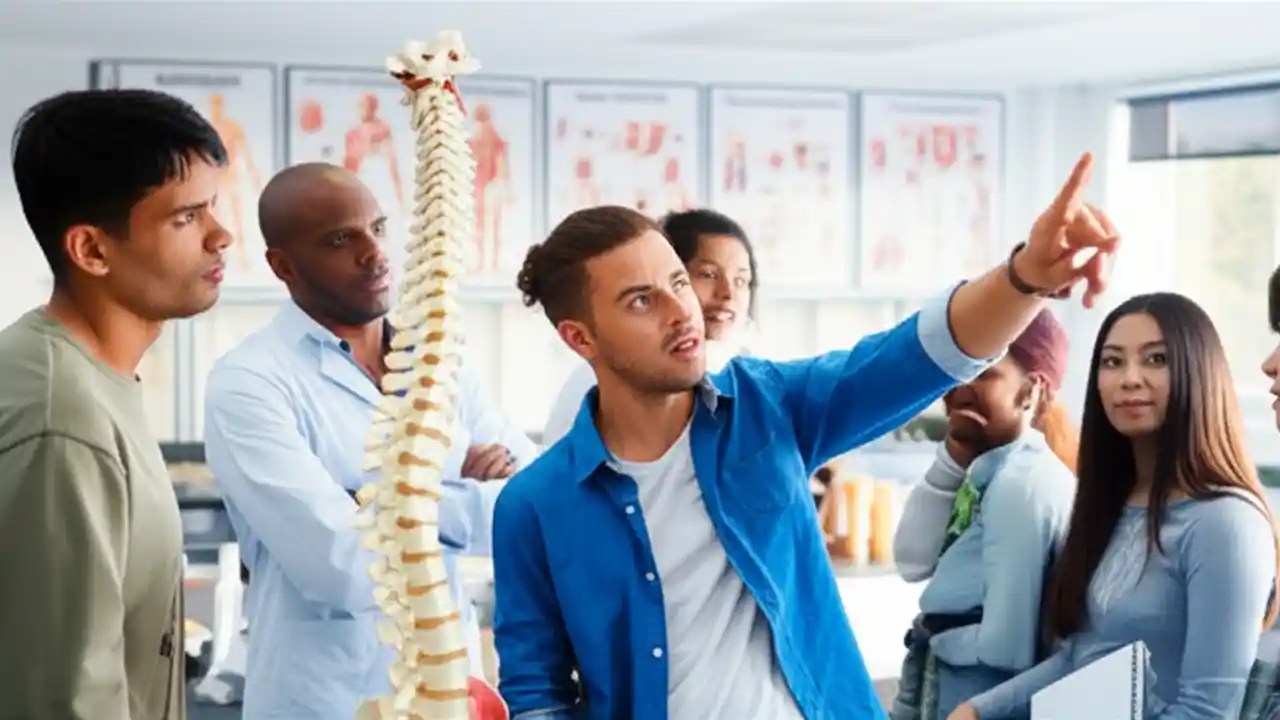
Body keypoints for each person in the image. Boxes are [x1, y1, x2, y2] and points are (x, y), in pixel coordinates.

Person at [492, 152, 1120, 719]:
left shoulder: (767, 408)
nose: (681, 309)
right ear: (581, 338)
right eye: (639, 301)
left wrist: (1026, 276)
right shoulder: (534, 507)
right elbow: (538, 694)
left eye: (678, 281)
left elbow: (912, 357)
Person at [202, 162, 536, 718]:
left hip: (449, 693)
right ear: (283, 266)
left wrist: (377, 502)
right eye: (340, 240)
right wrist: (467, 494)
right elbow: (342, 568)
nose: (375, 253)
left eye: (378, 229)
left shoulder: (439, 360)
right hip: (325, 700)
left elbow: (532, 507)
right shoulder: (250, 382)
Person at [0, 88, 230, 718]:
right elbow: (63, 698)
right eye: (187, 218)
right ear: (92, 250)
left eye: (212, 208)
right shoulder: (61, 418)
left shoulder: (94, 379)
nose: (222, 236)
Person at [949, 293, 1280, 720]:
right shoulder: (1107, 507)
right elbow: (1079, 660)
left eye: (1156, 360)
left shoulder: (1224, 523)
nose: (1130, 378)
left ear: (1200, 374)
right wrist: (975, 711)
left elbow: (1207, 712)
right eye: (1112, 361)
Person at [890, 310, 1078, 720]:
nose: (959, 388)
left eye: (984, 373)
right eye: (958, 371)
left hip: (971, 689)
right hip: (958, 679)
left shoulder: (1020, 487)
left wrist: (936, 636)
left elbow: (1008, 645)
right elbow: (911, 561)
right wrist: (952, 461)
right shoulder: (990, 472)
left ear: (1031, 392)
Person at [541, 208, 758, 449]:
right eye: (707, 275)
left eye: (741, 280)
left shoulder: (750, 375)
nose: (728, 294)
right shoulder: (601, 384)